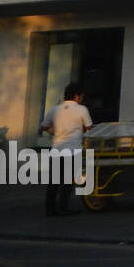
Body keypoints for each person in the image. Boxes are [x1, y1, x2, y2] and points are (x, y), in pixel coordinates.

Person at [39, 83, 92, 216]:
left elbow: (44, 127)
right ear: (76, 96)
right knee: (67, 181)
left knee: (54, 181)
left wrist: (54, 132)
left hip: (57, 149)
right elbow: (89, 128)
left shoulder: (54, 110)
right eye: (81, 96)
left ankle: (49, 209)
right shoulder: (82, 109)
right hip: (73, 150)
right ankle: (64, 207)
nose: (82, 99)